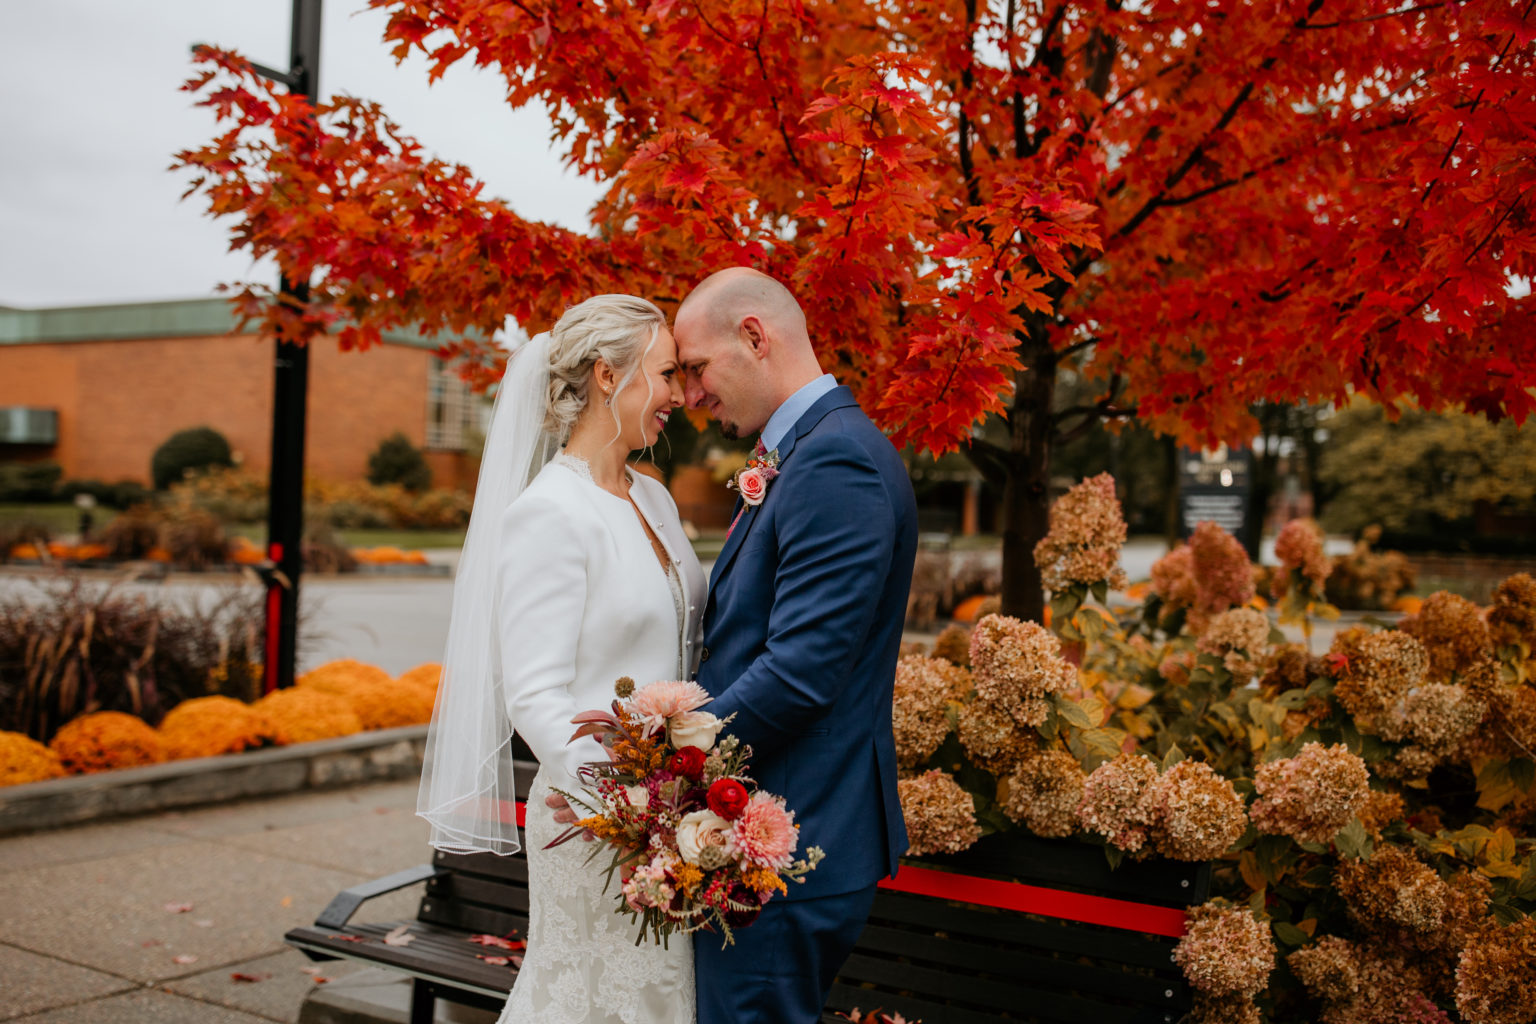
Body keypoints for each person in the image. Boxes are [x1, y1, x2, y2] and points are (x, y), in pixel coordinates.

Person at [417, 294, 707, 1024]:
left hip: (674, 812)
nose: (679, 394)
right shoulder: (550, 512)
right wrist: (626, 807)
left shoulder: (656, 498)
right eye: (666, 373)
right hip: (595, 822)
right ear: (608, 376)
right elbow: (535, 694)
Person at [674, 267, 918, 1024]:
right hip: (772, 824)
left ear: (754, 336)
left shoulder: (834, 461)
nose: (689, 395)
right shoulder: (807, 451)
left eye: (695, 369)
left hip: (794, 836)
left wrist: (671, 763)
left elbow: (801, 672)